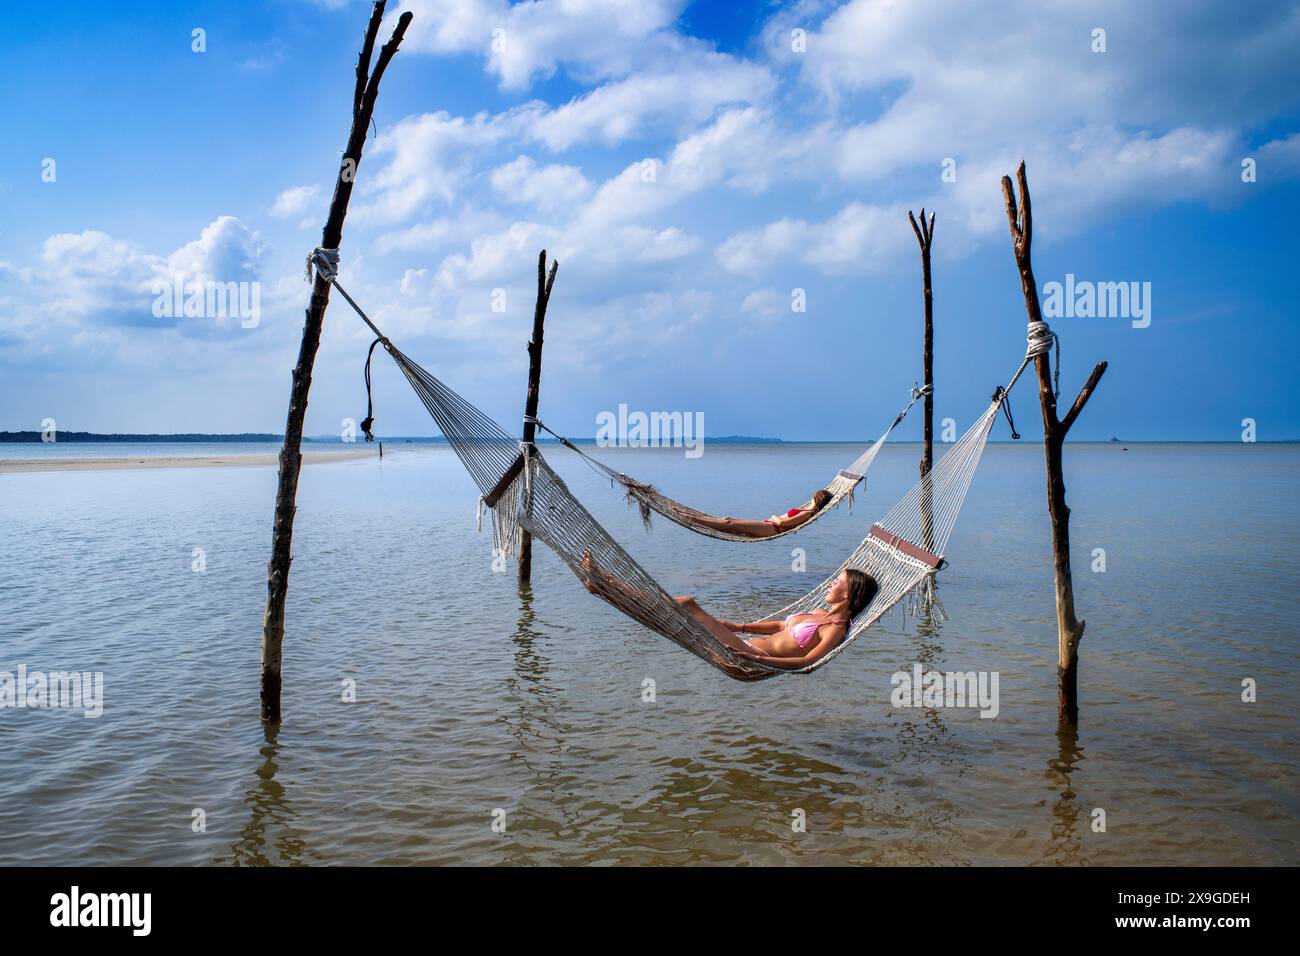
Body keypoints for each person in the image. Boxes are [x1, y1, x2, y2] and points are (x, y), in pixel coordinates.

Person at [578, 550, 878, 671]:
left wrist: (760, 660)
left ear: (848, 592)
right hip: (743, 643)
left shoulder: (835, 628)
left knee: (685, 606)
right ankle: (602, 588)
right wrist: (738, 625)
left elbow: (807, 661)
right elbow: (779, 628)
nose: (830, 583)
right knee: (673, 615)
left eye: (836, 581)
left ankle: (605, 580)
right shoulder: (818, 611)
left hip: (752, 657)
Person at [674, 488, 833, 538]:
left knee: (729, 524)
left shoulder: (809, 512)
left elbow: (782, 523)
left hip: (771, 528)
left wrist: (774, 517)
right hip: (768, 526)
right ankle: (690, 516)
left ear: (816, 496)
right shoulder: (807, 508)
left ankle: (690, 518)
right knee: (727, 520)